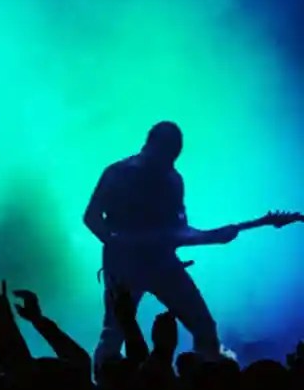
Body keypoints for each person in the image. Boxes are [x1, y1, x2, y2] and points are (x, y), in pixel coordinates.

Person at [84, 121, 236, 368]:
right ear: (149, 146)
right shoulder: (117, 173)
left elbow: (178, 231)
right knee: (114, 332)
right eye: (166, 154)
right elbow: (91, 217)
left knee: (203, 325)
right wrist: (117, 244)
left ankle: (208, 385)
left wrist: (211, 237)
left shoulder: (173, 180)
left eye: (173, 157)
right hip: (126, 268)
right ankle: (106, 389)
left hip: (162, 265)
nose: (168, 162)